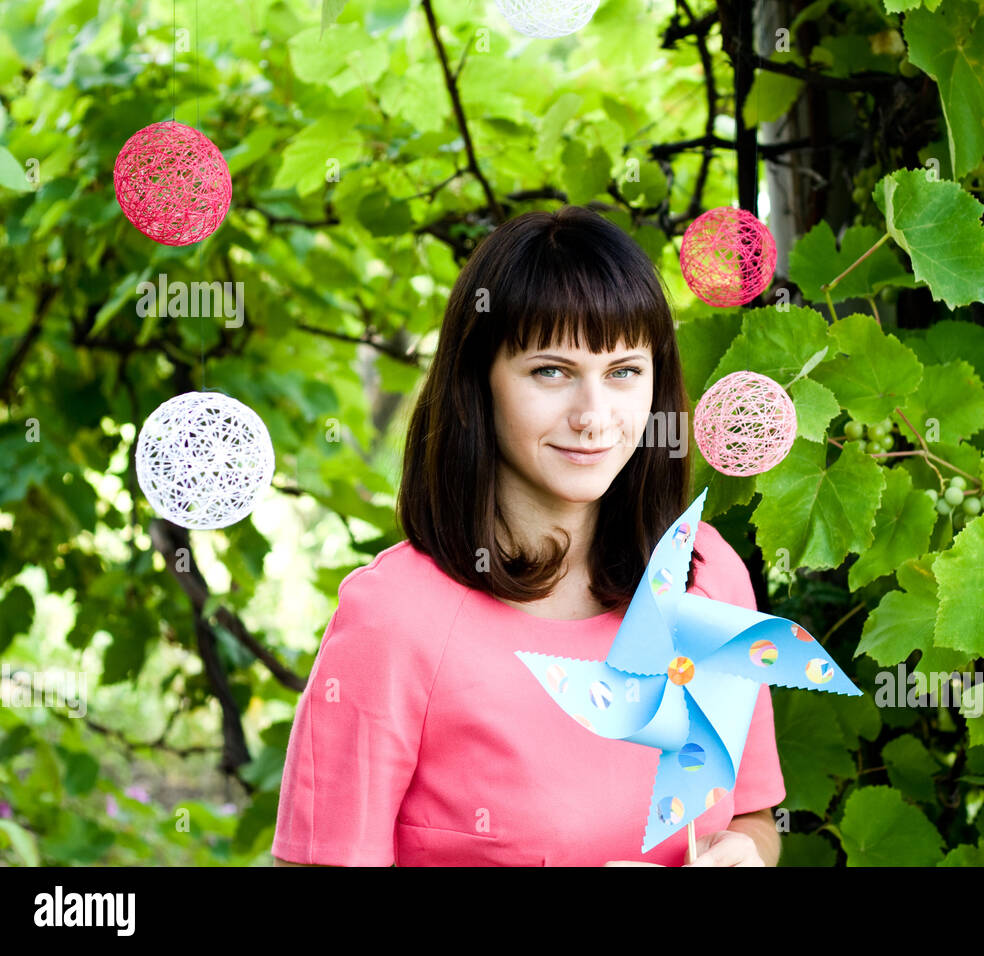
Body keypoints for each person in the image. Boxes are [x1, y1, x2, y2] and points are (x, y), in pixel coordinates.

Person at [271, 206, 785, 867]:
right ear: (477, 382)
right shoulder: (394, 619)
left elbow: (752, 814)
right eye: (551, 371)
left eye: (624, 371)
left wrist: (745, 853)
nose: (595, 417)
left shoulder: (710, 575)